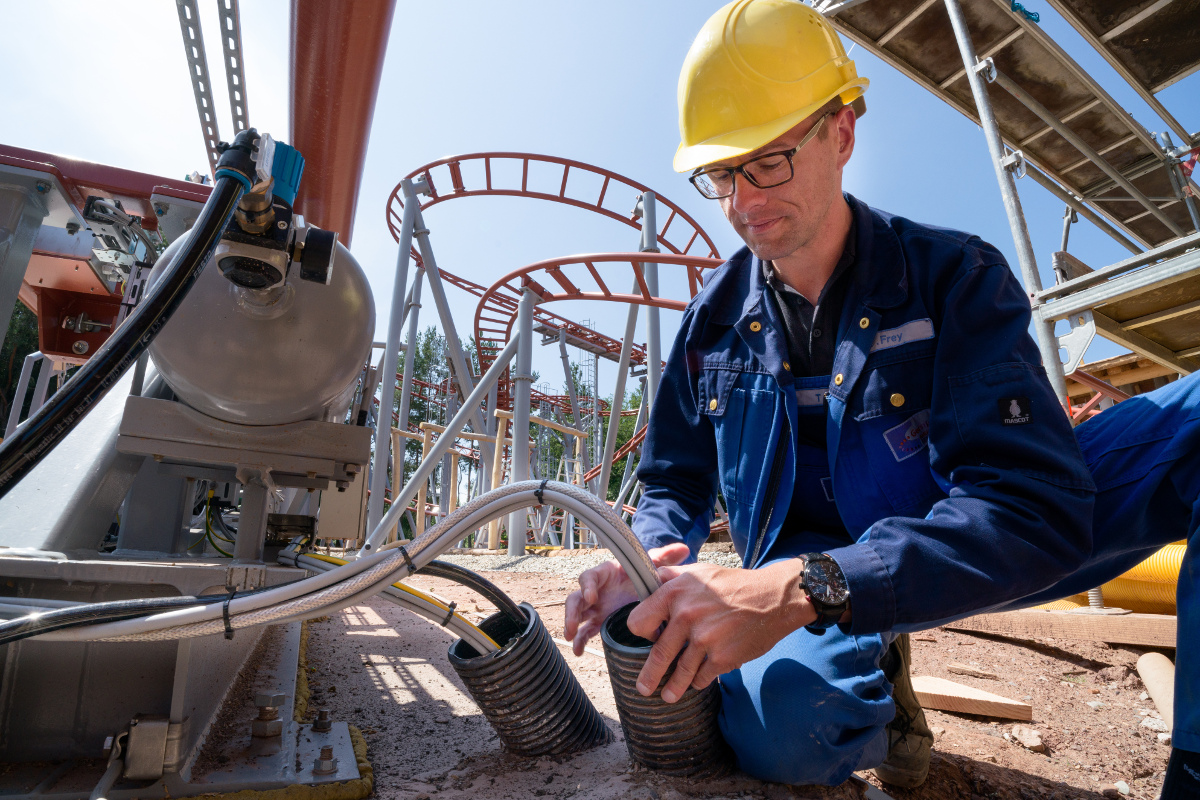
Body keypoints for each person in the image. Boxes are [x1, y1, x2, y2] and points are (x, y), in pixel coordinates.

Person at [564, 1, 1199, 796]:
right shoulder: (711, 323)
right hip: (802, 557)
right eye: (722, 173)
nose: (743, 200)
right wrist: (650, 560)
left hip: (959, 528)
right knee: (785, 737)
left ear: (841, 134)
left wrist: (817, 587)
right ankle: (875, 676)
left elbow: (1030, 505)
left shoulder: (953, 277)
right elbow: (672, 480)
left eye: (768, 161)